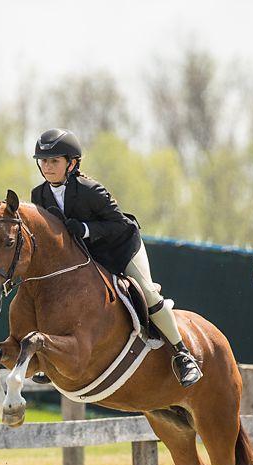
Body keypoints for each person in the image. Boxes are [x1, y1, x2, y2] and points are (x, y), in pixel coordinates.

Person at [29, 128, 203, 387]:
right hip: (86, 256)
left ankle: (183, 355)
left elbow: (119, 225)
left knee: (147, 292)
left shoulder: (90, 190)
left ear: (72, 163)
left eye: (54, 161)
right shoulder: (38, 195)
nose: (47, 167)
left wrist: (85, 229)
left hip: (120, 247)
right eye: (43, 161)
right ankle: (52, 356)